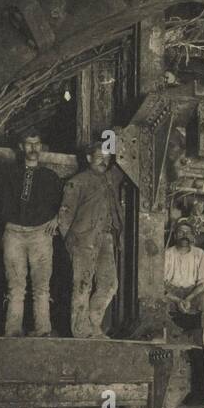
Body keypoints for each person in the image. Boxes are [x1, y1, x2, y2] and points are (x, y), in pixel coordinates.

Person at [0, 133, 63, 337]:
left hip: (41, 234)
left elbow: (65, 203)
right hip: (13, 233)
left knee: (42, 287)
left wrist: (57, 218)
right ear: (22, 147)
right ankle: (12, 332)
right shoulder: (9, 173)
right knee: (16, 287)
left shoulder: (51, 177)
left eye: (37, 144)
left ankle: (43, 331)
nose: (33, 148)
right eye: (29, 144)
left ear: (41, 147)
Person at [58, 142, 123, 338]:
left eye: (107, 158)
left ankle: (92, 324)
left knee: (110, 284)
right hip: (83, 240)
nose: (104, 161)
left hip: (106, 239)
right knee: (82, 284)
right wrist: (71, 244)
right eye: (99, 157)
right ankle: (80, 331)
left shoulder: (110, 180)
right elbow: (64, 217)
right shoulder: (77, 182)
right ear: (88, 158)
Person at [163, 219, 204, 337]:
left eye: (188, 232)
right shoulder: (167, 253)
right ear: (175, 235)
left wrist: (188, 299)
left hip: (193, 293)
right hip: (172, 294)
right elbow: (160, 284)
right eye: (181, 232)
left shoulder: (200, 253)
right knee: (158, 302)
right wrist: (178, 300)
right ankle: (164, 337)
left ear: (192, 236)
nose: (184, 235)